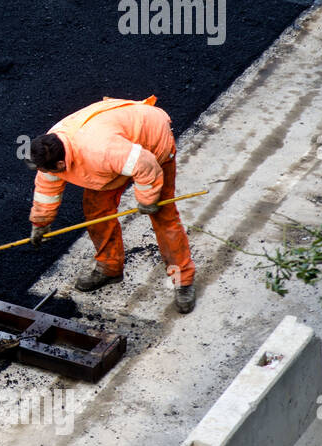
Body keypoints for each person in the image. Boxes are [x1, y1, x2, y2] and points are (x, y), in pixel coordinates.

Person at [25, 95, 195, 312]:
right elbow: (47, 189)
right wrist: (40, 223)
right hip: (117, 153)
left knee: (163, 215)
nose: (44, 173)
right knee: (96, 210)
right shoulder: (50, 148)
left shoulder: (101, 150)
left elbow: (146, 164)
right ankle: (109, 268)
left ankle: (183, 280)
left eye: (46, 169)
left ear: (60, 164)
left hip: (152, 142)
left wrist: (147, 199)